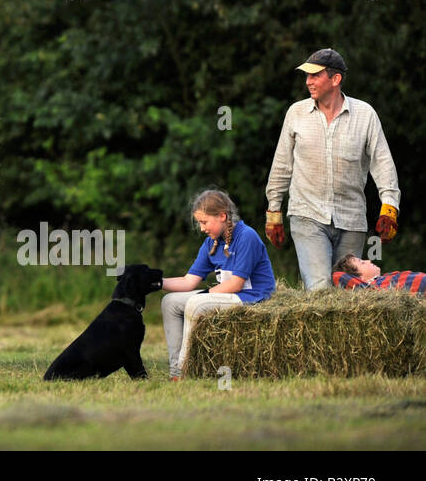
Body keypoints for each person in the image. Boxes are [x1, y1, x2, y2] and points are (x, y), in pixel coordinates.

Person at [263, 48, 401, 291]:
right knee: (320, 289)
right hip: (307, 214)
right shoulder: (296, 113)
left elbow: (383, 164)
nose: (308, 81)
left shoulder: (366, 115)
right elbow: (282, 165)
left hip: (351, 219)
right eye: (307, 76)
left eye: (315, 76)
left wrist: (389, 207)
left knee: (348, 294)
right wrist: (274, 211)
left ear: (335, 79)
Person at [161, 188, 276, 379]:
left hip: (252, 297)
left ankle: (185, 370)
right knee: (169, 302)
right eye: (200, 223)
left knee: (195, 303)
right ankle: (175, 370)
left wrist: (203, 295)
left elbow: (236, 284)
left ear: (222, 216)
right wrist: (157, 282)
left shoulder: (247, 236)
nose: (202, 228)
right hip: (228, 295)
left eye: (204, 222)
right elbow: (188, 281)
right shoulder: (210, 243)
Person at [332, 255, 426, 295]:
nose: (368, 261)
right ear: (361, 278)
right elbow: (338, 276)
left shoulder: (384, 278)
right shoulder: (371, 289)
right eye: (362, 263)